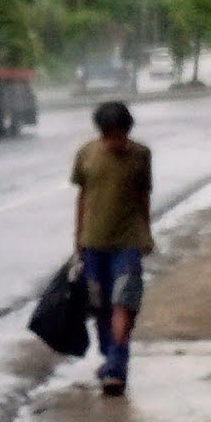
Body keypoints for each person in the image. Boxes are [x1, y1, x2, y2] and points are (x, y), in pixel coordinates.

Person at [70, 101, 155, 397]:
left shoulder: (141, 156)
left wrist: (147, 232)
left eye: (119, 136)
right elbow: (83, 197)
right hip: (93, 243)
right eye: (108, 137)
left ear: (127, 132)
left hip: (128, 243)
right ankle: (109, 357)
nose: (114, 143)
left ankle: (117, 369)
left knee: (124, 303)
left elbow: (144, 196)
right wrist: (77, 238)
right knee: (100, 306)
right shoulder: (86, 155)